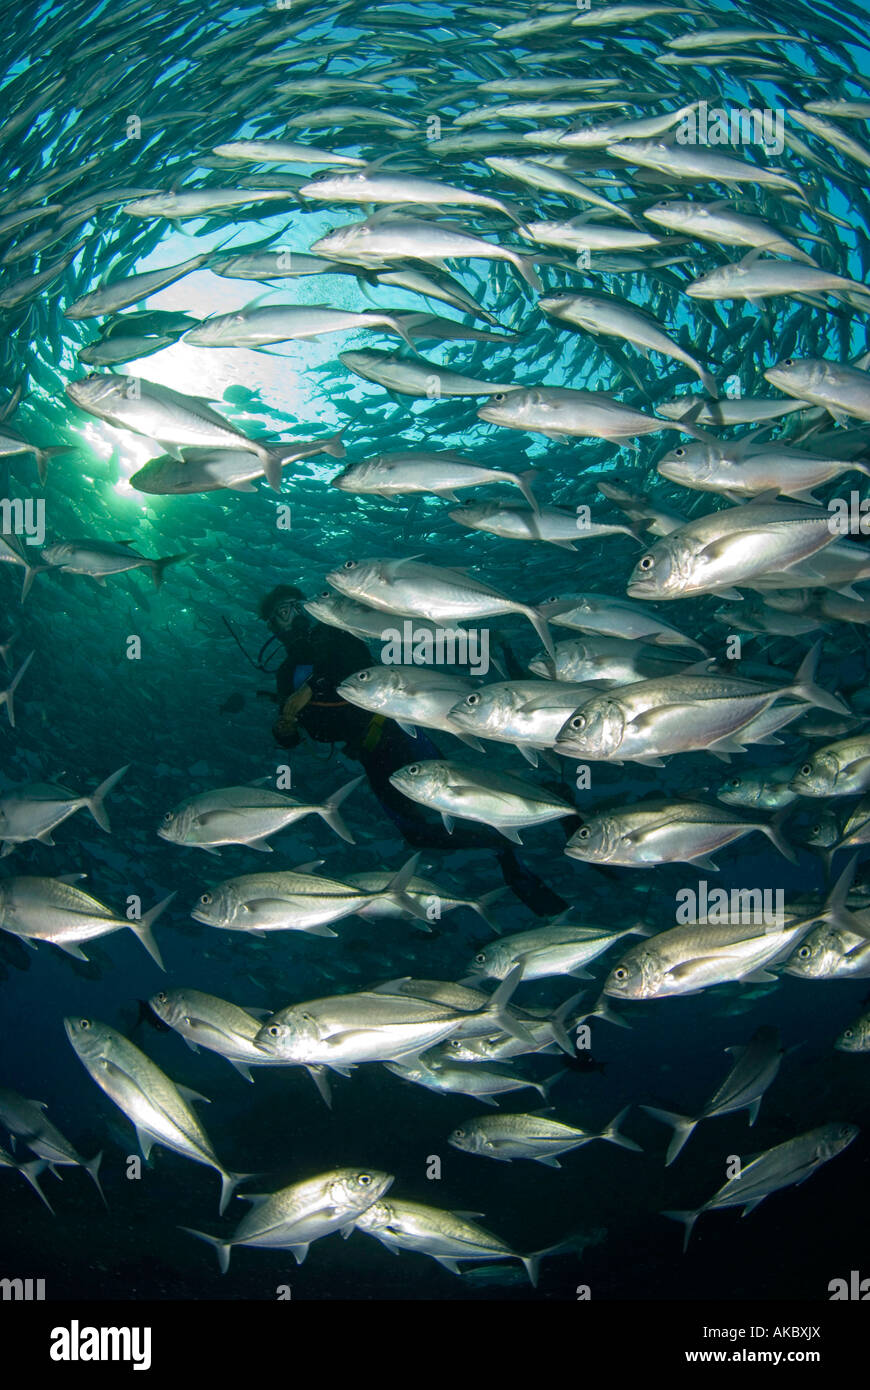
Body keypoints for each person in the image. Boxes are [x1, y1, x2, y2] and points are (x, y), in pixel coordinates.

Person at [257, 585, 571, 916]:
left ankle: (545, 807)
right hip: (367, 753)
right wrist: (285, 731)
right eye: (283, 612)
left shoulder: (338, 633)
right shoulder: (285, 674)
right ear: (273, 626)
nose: (295, 615)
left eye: (297, 606)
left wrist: (310, 688)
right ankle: (504, 841)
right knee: (419, 834)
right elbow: (296, 739)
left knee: (464, 792)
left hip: (396, 730)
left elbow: (352, 663)